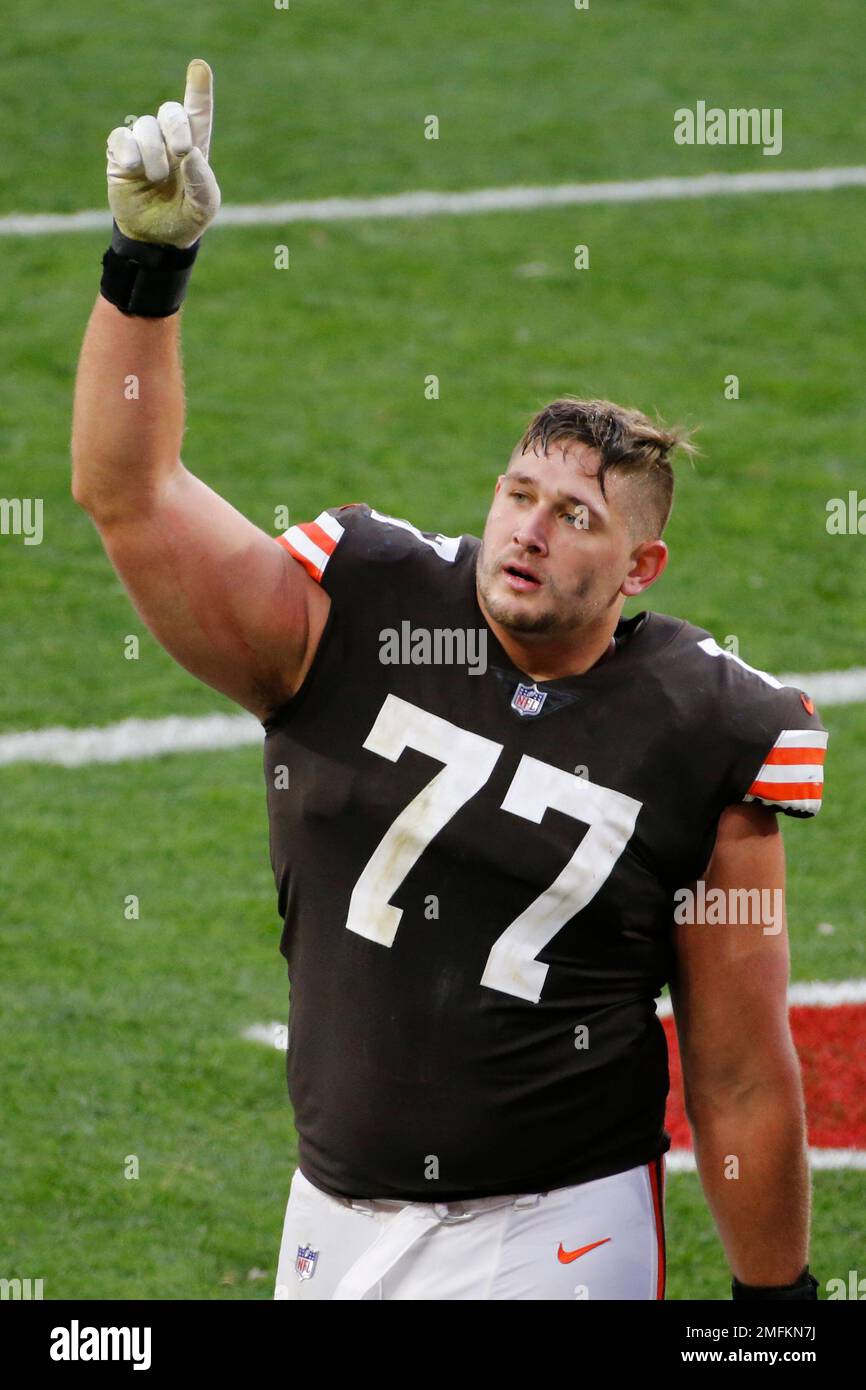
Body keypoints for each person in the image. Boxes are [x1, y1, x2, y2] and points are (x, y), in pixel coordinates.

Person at [71, 60, 825, 1301]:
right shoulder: (356, 606)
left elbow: (739, 1072)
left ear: (641, 565)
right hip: (325, 1210)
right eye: (517, 494)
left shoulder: (703, 725)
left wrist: (776, 1307)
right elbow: (128, 493)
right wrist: (144, 269)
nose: (530, 529)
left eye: (575, 515)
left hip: (551, 1226)